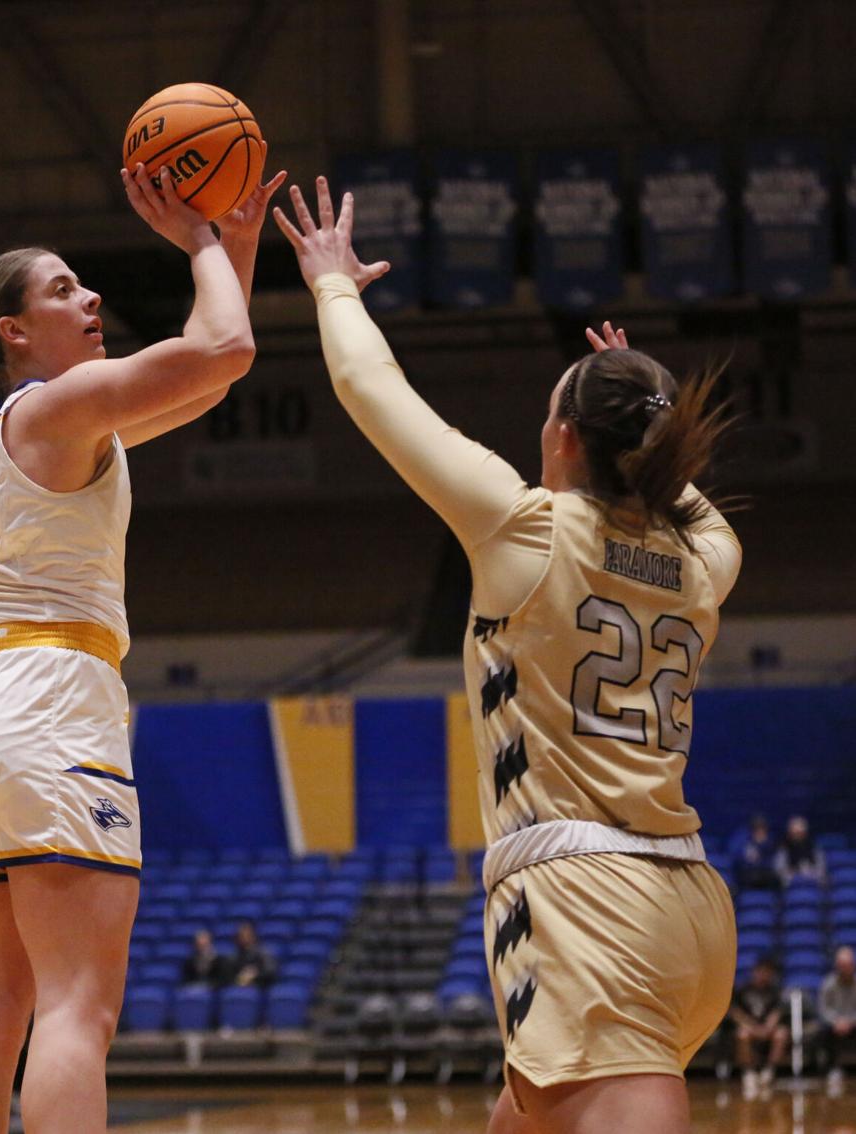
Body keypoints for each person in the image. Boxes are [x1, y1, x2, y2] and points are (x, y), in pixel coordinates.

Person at [274, 178, 741, 1134]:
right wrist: (640, 406)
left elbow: (373, 390)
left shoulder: (530, 532)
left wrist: (331, 284)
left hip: (586, 902)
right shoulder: (706, 560)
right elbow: (683, 499)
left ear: (563, 437)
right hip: (691, 903)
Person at [0, 155, 285, 1134]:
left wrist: (237, 252)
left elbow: (205, 382)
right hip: (45, 698)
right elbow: (228, 348)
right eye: (62, 289)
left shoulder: (21, 426)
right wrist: (200, 240)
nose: (90, 298)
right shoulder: (54, 407)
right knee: (78, 1009)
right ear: (14, 329)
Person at [728, 957, 788, 1099]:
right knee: (742, 1035)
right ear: (755, 972)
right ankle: (749, 1072)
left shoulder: (775, 990)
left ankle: (768, 1071)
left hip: (768, 1029)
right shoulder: (743, 989)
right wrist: (752, 1027)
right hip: (749, 1028)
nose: (763, 975)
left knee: (782, 1034)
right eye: (761, 971)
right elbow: (735, 1012)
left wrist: (767, 1027)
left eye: (767, 972)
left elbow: (778, 1012)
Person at [818, 945, 856, 1096]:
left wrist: (850, 1022)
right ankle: (832, 1069)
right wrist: (836, 1022)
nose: (845, 968)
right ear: (837, 966)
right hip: (834, 1026)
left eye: (848, 965)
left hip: (853, 1024)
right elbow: (823, 1009)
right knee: (822, 1033)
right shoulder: (828, 984)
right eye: (842, 965)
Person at [774, 814, 827, 887]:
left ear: (805, 833)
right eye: (794, 833)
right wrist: (793, 871)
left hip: (811, 877)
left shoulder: (813, 848)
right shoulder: (784, 849)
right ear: (790, 833)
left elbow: (821, 866)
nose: (797, 836)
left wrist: (810, 871)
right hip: (791, 880)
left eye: (800, 833)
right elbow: (778, 869)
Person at [733, 813, 781, 891]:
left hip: (766, 876)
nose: (759, 832)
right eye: (756, 829)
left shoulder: (771, 843)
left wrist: (762, 846)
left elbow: (774, 862)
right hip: (748, 877)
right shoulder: (745, 843)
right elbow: (740, 862)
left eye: (762, 829)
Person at [227, 921, 276, 987]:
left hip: (259, 987)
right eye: (240, 936)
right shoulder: (234, 956)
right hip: (238, 987)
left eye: (246, 935)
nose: (243, 938)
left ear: (253, 937)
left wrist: (255, 974)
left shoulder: (263, 953)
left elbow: (270, 971)